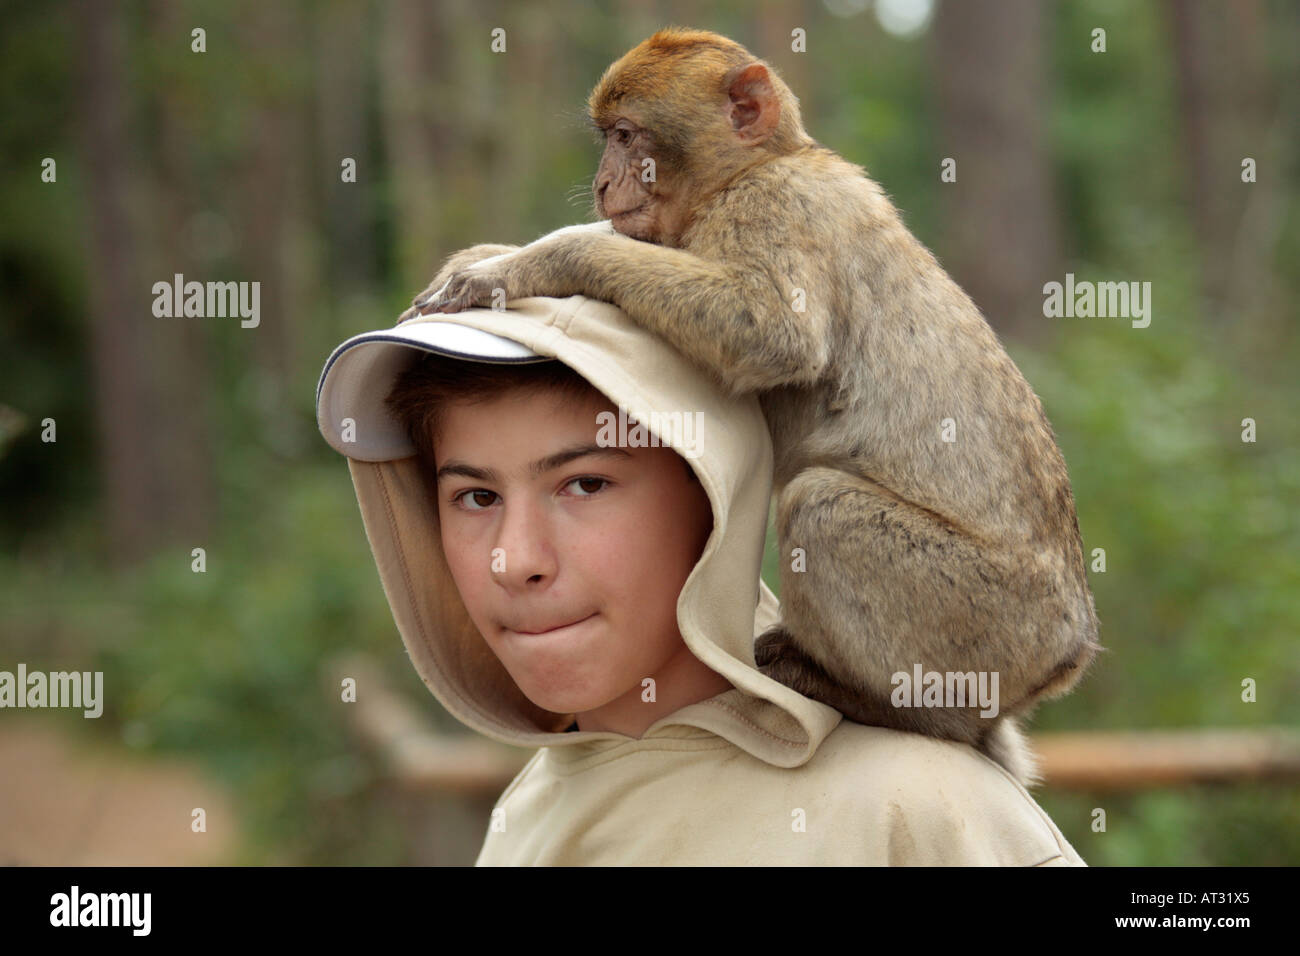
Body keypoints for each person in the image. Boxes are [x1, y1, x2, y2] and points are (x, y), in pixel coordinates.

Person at [315, 293, 1086, 866]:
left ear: (718, 492)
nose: (515, 558)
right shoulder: (526, 823)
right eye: (476, 497)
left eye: (584, 484)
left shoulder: (921, 813)